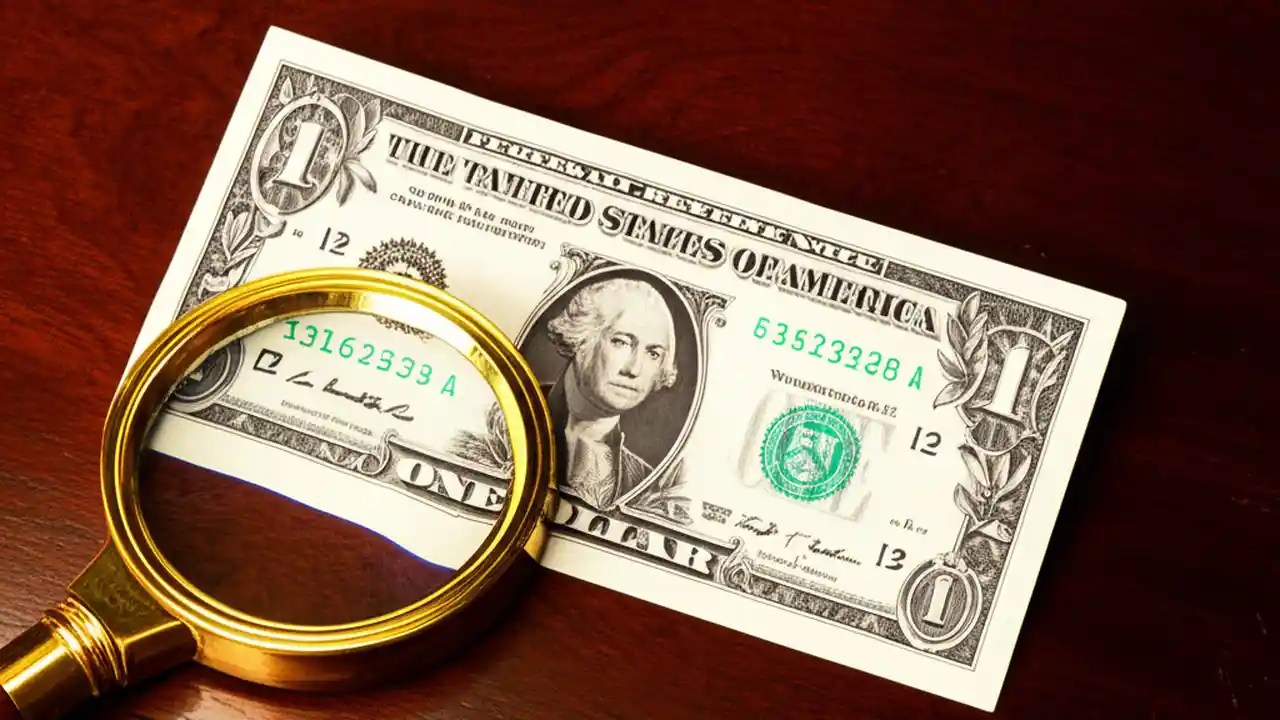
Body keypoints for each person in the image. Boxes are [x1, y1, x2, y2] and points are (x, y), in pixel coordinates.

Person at [542, 277, 679, 511]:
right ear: (580, 340)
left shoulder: (647, 485)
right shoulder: (497, 418)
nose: (634, 369)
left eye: (653, 353)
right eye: (621, 342)